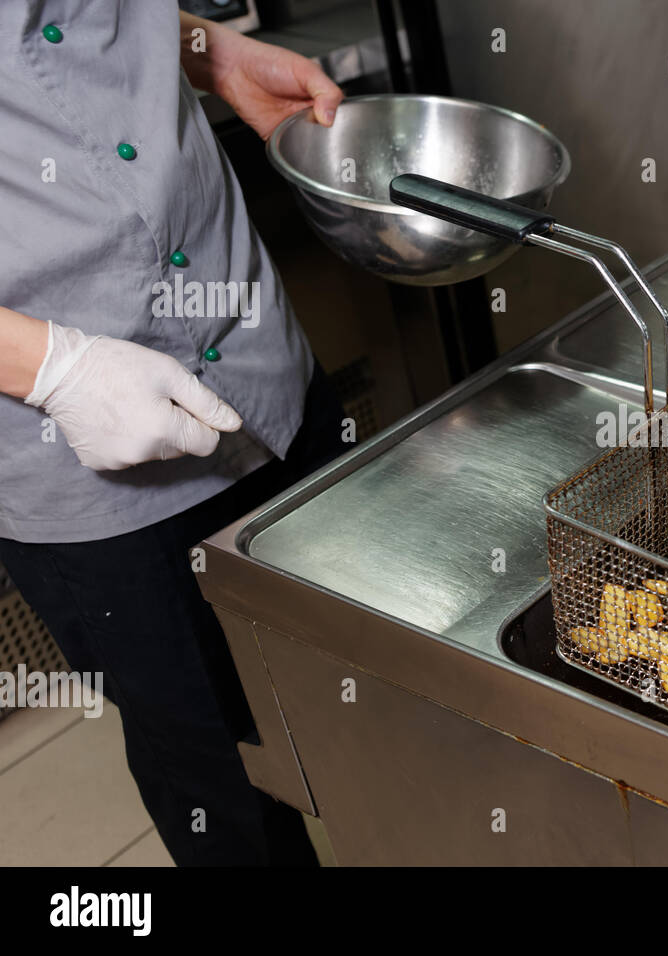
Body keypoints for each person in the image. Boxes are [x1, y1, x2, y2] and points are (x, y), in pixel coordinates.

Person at [0, 3, 348, 865]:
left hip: (259, 351)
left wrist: (206, 48)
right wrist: (53, 368)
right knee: (226, 787)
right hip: (88, 469)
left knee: (381, 706)